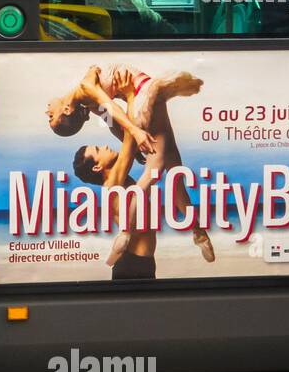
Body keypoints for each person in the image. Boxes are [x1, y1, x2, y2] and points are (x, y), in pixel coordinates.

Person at [47, 63, 214, 264]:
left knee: (175, 170)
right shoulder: (86, 88)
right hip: (141, 96)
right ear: (66, 109)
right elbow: (113, 111)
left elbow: (111, 123)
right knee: (156, 168)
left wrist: (133, 147)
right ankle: (126, 232)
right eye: (51, 117)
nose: (47, 111)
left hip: (143, 96)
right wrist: (135, 130)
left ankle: (199, 232)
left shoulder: (87, 97)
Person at [72, 86, 157, 279]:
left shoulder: (115, 179)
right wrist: (129, 95)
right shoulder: (113, 183)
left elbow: (114, 126)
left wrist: (99, 108)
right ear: (97, 167)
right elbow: (130, 135)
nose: (105, 146)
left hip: (138, 262)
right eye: (98, 149)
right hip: (133, 266)